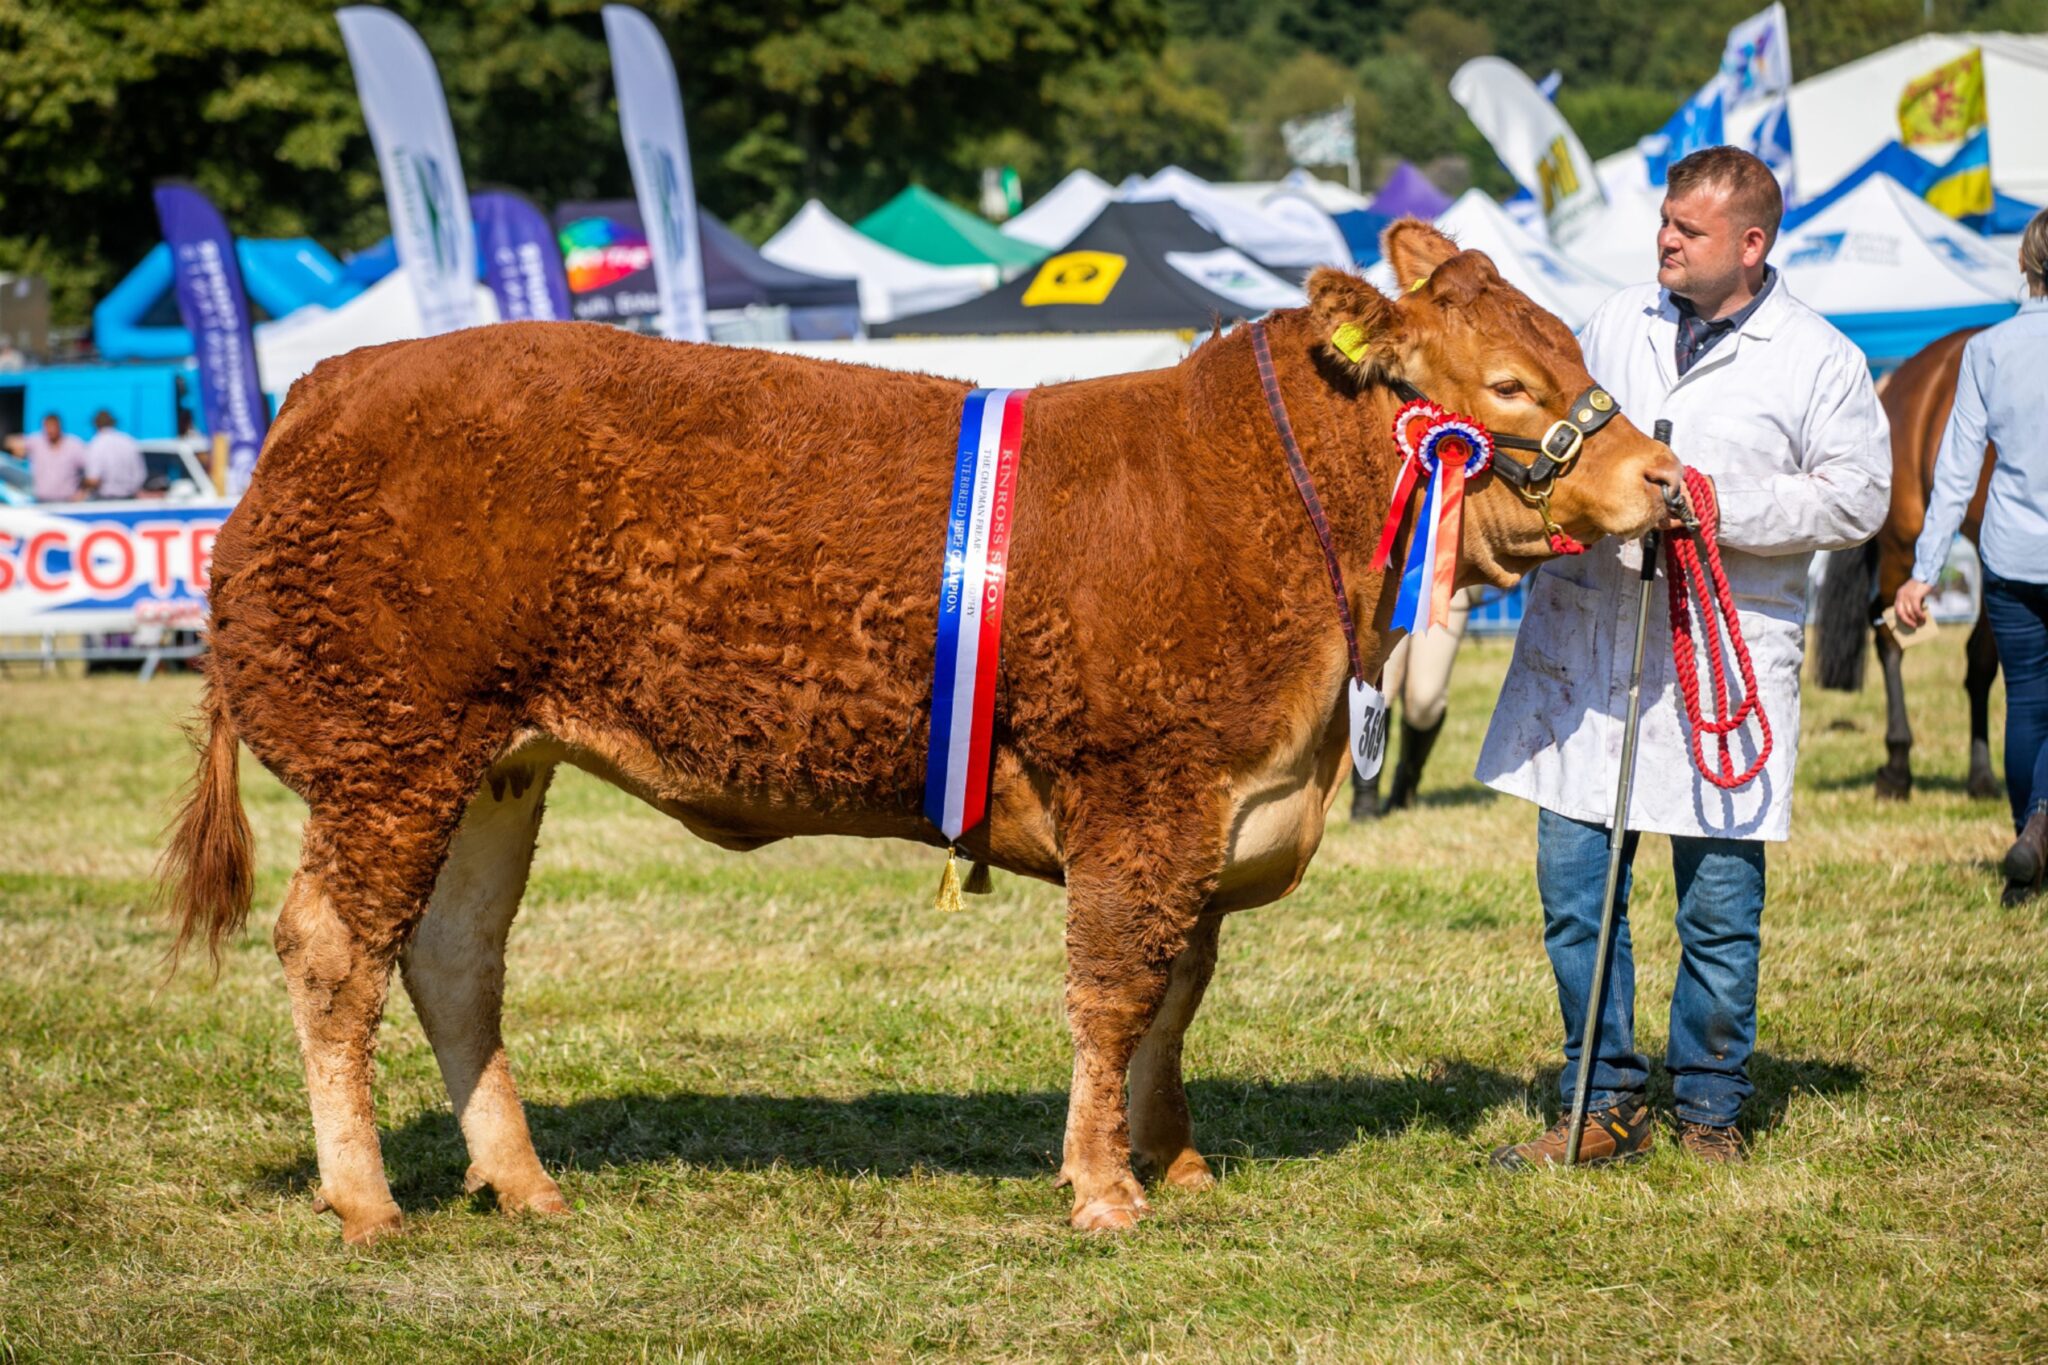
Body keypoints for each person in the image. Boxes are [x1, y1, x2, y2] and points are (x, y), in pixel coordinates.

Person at [1476, 147, 1890, 1167]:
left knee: (1717, 906)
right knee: (1577, 898)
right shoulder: (1609, 325)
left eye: (1687, 229)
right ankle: (1600, 1100)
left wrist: (1715, 502)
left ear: (1749, 245)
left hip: (1721, 652)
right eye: (1664, 220)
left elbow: (1857, 497)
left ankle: (1709, 1106)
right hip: (1589, 649)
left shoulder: (1819, 358)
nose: (1664, 238)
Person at [1895, 208, 2048, 907]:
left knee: (2027, 703)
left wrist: (1923, 571)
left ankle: (2026, 847)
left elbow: (1955, 472)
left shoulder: (1986, 351)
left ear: (2023, 265)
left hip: (2011, 558)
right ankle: (2040, 826)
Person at [1351, 585, 1481, 818]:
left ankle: (1405, 786)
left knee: (1425, 701)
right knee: (1379, 685)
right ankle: (1365, 795)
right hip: (1387, 577)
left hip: (1449, 580)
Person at [4, 412, 87, 501]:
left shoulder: (74, 445)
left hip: (68, 500)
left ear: (59, 426)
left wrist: (83, 491)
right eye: (48, 427)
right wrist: (17, 450)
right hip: (42, 500)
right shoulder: (37, 442)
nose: (51, 430)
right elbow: (10, 442)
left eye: (53, 427)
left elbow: (90, 469)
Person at [82, 409, 147, 500]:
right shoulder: (129, 441)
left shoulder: (97, 444)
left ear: (96, 425)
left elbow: (94, 479)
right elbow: (140, 474)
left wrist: (82, 485)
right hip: (130, 498)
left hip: (104, 500)